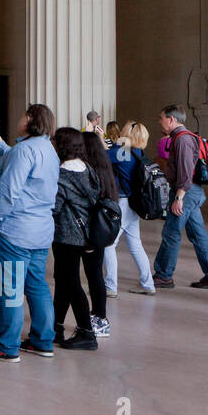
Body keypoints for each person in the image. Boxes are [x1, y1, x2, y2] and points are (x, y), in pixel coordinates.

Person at [0, 103, 59, 362]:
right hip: (41, 230)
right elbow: (24, 163)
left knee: (9, 288)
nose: (20, 118)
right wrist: (0, 145)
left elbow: (9, 189)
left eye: (24, 114)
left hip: (14, 230)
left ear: (31, 119)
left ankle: (6, 346)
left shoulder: (24, 150)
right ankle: (42, 341)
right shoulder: (48, 149)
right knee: (36, 285)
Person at [152, 105, 208, 289]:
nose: (159, 121)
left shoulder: (182, 140)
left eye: (161, 118)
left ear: (171, 119)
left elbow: (186, 171)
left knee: (171, 232)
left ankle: (163, 275)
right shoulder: (182, 137)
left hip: (186, 192)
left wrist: (179, 197)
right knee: (198, 234)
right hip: (191, 191)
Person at [48, 129, 100, 351]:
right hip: (84, 233)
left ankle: (86, 331)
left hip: (66, 235)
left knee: (70, 282)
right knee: (63, 280)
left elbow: (55, 207)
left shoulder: (62, 174)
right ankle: (56, 327)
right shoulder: (87, 168)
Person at [107, 121, 157, 296]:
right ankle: (148, 284)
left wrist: (99, 140)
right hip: (135, 203)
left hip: (122, 202)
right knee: (136, 244)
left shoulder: (122, 151)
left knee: (108, 245)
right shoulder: (138, 153)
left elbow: (100, 157)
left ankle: (110, 286)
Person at [81, 131, 118, 336]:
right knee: (95, 274)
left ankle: (100, 317)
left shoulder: (90, 171)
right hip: (100, 229)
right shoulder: (105, 169)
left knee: (93, 275)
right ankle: (100, 317)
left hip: (91, 228)